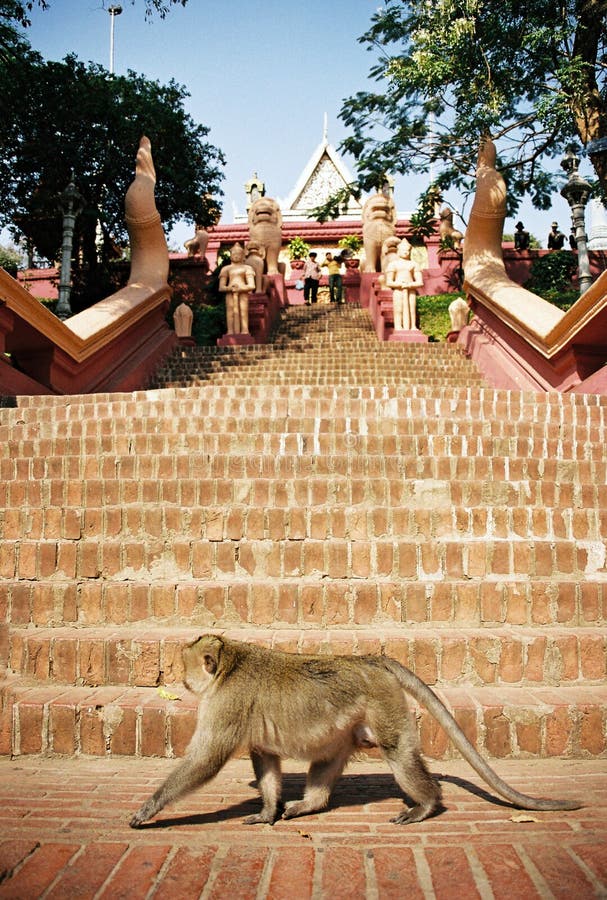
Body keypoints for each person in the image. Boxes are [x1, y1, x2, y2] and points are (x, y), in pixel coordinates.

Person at [384, 238, 424, 331]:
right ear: (398, 252)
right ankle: (398, 326)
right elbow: (389, 282)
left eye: (408, 251)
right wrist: (399, 284)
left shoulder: (414, 264)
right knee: (399, 309)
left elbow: (420, 282)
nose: (406, 252)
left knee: (412, 309)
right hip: (398, 290)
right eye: (403, 250)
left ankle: (413, 326)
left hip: (411, 290)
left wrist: (409, 285)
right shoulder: (393, 264)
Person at [218, 243, 256, 334]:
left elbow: (252, 285)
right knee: (230, 312)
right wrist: (229, 288)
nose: (236, 256)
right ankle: (230, 331)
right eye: (234, 254)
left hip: (243, 291)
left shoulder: (247, 268)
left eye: (238, 254)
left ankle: (245, 330)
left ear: (243, 256)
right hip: (230, 292)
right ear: (230, 256)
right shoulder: (226, 269)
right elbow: (221, 287)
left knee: (243, 311)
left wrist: (241, 288)